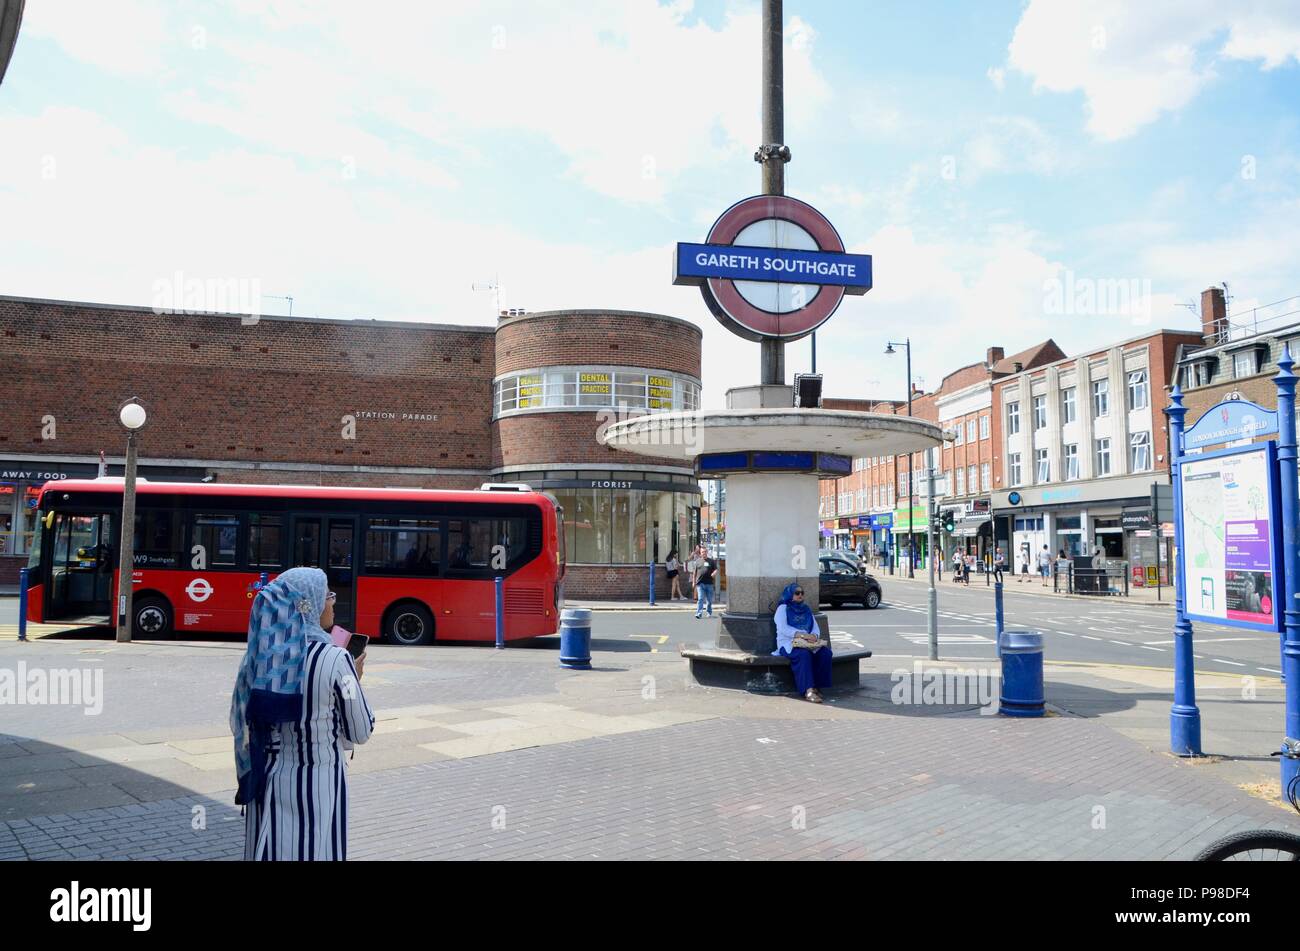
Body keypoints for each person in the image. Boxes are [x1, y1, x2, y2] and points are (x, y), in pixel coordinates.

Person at [230, 566, 375, 861]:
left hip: (266, 781)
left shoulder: (260, 657)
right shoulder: (336, 658)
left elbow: (243, 719)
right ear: (309, 604)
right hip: (317, 785)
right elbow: (360, 730)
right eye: (328, 595)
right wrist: (354, 681)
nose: (332, 601)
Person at [773, 582, 832, 703]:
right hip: (789, 643)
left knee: (825, 653)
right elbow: (783, 628)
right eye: (797, 593)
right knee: (803, 655)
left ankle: (817, 687)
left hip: (807, 642)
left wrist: (814, 636)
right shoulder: (783, 608)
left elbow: (814, 626)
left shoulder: (806, 608)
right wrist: (802, 635)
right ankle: (808, 690)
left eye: (802, 593)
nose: (800, 595)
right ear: (789, 594)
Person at [694, 552, 717, 618]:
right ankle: (699, 613)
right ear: (700, 553)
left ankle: (709, 612)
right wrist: (693, 582)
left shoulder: (711, 561)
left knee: (709, 600)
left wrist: (714, 573)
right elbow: (694, 572)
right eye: (702, 552)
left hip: (709, 583)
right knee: (700, 598)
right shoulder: (697, 561)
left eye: (705, 552)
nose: (703, 553)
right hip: (700, 583)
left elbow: (715, 569)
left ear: (706, 553)